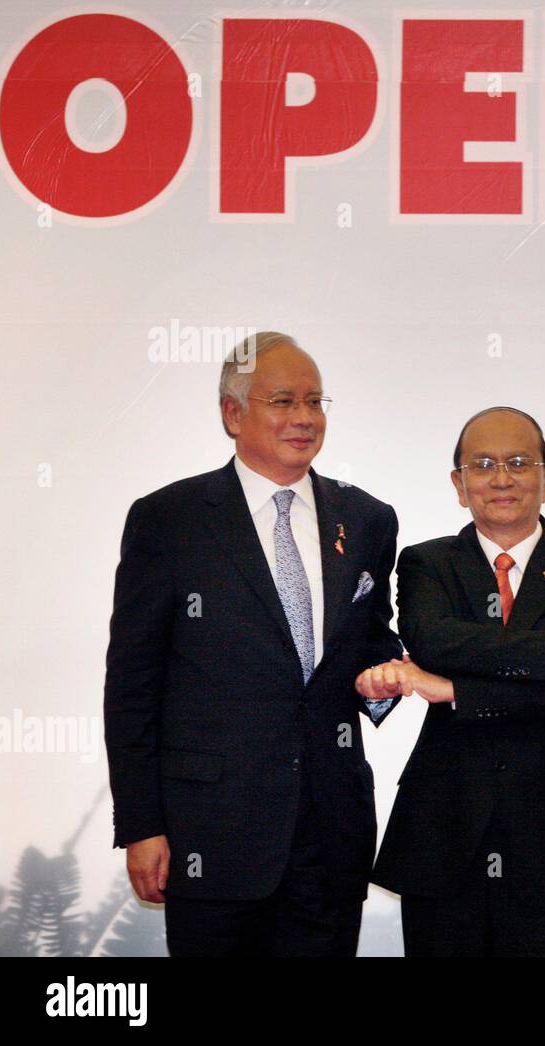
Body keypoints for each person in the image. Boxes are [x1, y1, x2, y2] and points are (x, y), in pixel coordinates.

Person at [104, 332, 402, 956]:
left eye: (316, 401)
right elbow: (132, 684)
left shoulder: (368, 518)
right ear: (233, 413)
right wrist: (141, 825)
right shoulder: (170, 520)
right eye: (284, 400)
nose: (305, 418)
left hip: (330, 831)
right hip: (208, 835)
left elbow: (371, 639)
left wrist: (391, 681)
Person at [363, 407, 545, 956]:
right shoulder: (426, 564)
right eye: (481, 465)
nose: (500, 479)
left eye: (518, 463)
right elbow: (436, 641)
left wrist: (453, 689)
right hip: (442, 831)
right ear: (459, 485)